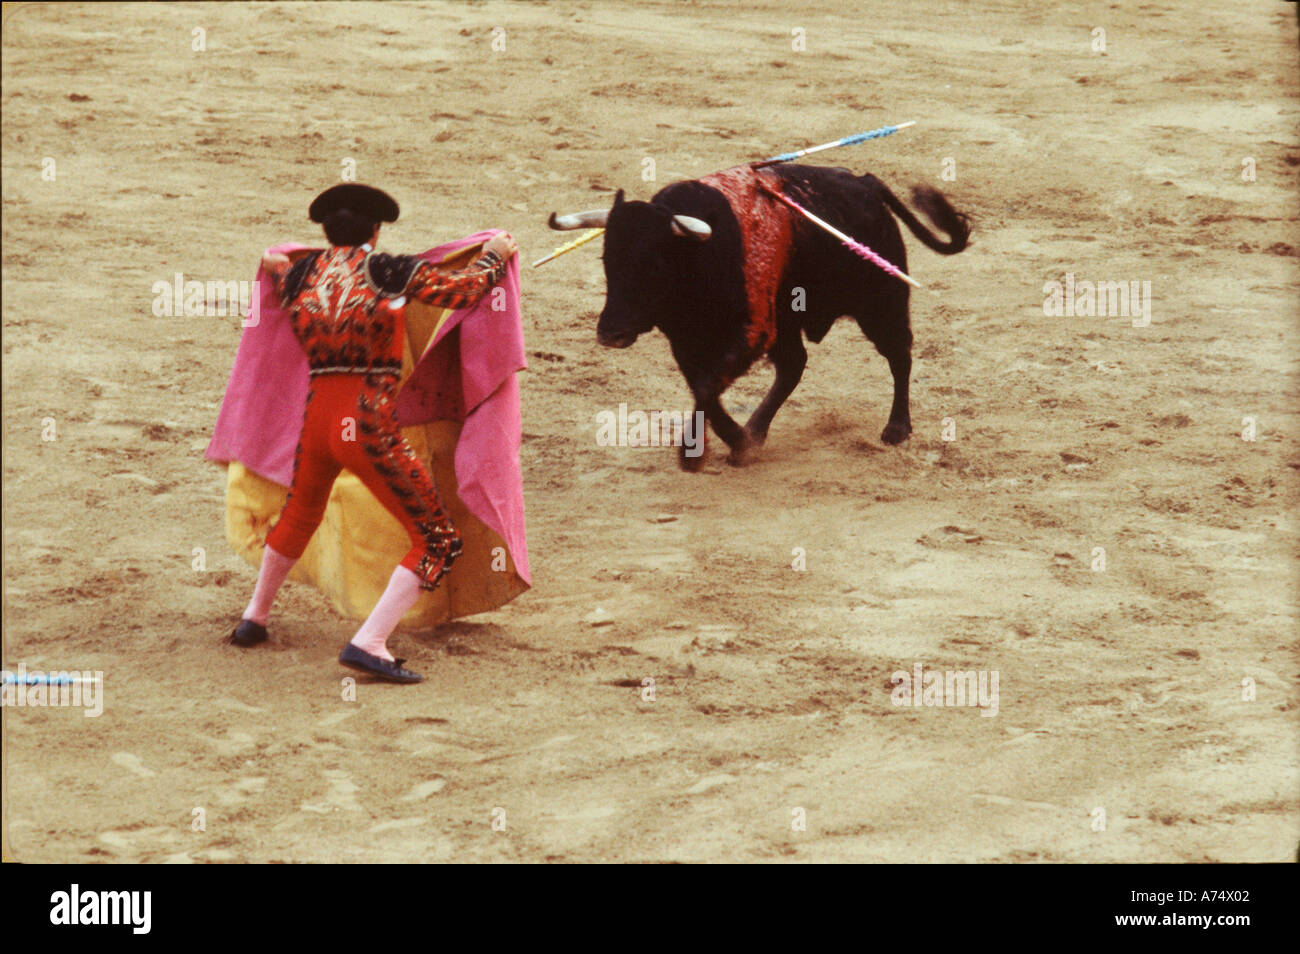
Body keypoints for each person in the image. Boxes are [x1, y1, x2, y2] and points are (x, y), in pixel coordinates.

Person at [227, 183, 518, 683]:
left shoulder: (298, 276)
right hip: (367, 423)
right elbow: (462, 292)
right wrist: (494, 257)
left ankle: (254, 617)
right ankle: (370, 641)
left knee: (300, 513)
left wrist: (273, 259)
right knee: (438, 540)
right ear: (377, 231)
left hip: (317, 418)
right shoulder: (387, 270)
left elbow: (272, 263)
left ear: (324, 231)